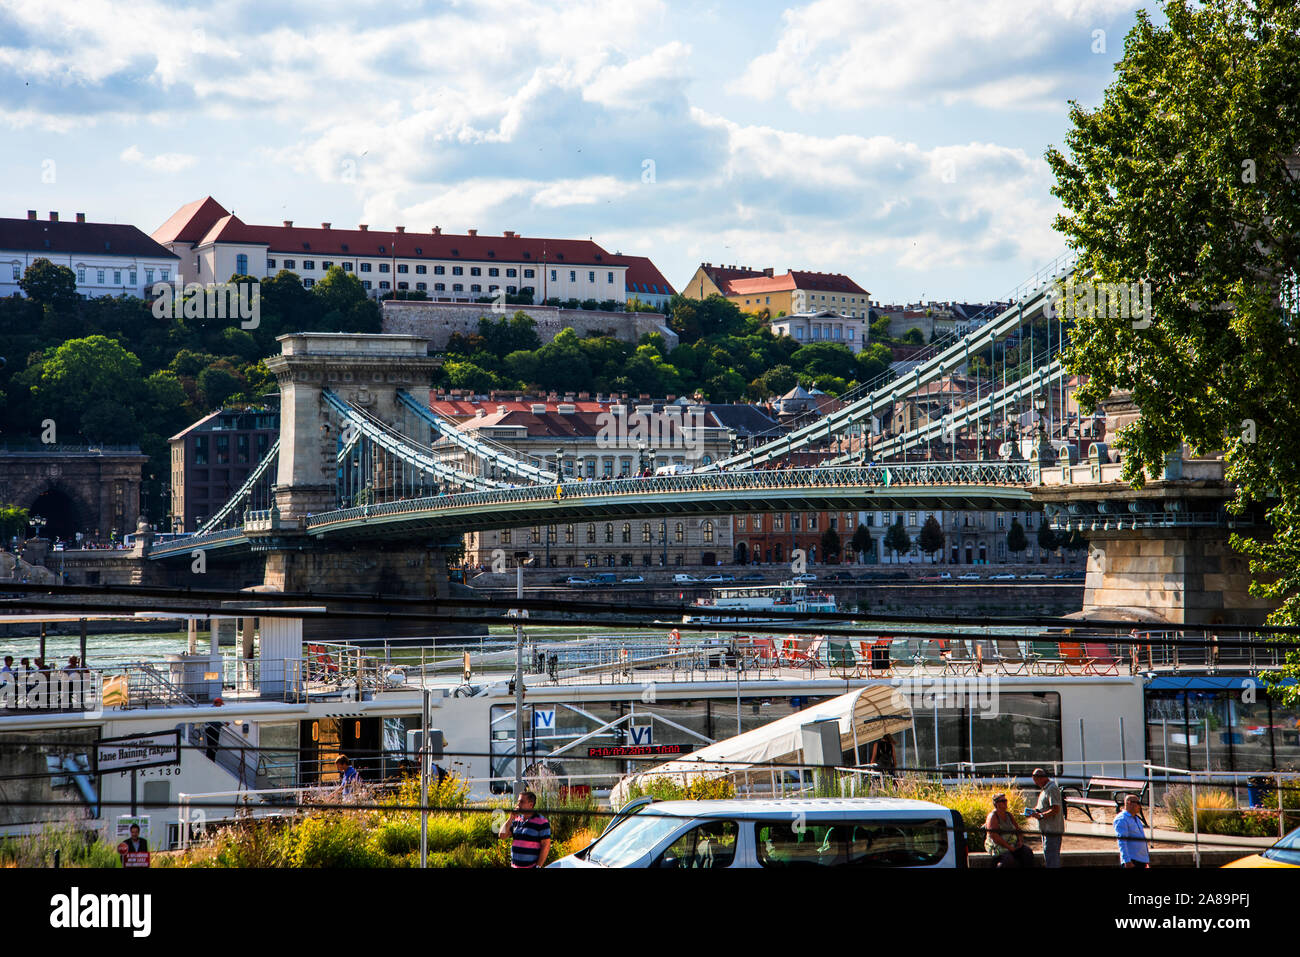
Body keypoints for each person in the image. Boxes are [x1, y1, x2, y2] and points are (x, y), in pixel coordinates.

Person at [498, 790, 551, 868]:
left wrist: (538, 866)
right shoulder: (516, 820)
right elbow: (502, 836)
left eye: (522, 802)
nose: (518, 805)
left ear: (531, 805)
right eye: (518, 802)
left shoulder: (542, 822)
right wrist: (510, 818)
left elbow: (546, 845)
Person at [1025, 767, 1065, 867]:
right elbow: (1044, 807)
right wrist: (1034, 812)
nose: (1036, 784)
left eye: (1036, 781)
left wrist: (1041, 815)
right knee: (1049, 858)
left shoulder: (1052, 789)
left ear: (1042, 778)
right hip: (1046, 830)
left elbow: (1056, 809)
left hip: (1052, 830)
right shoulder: (1045, 789)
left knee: (1052, 859)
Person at [984, 793, 1034, 868]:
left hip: (1012, 844)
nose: (1005, 802)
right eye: (1003, 801)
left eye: (1006, 800)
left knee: (1027, 853)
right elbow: (994, 836)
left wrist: (1020, 841)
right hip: (998, 846)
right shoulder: (992, 816)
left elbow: (1018, 830)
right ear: (997, 804)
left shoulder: (1009, 815)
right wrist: (1009, 847)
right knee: (1008, 860)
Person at [1114, 793, 1150, 868]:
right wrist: (1127, 861)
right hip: (1132, 861)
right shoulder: (1122, 819)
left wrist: (1146, 860)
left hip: (1141, 860)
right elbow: (1122, 842)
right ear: (1129, 803)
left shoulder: (1136, 819)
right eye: (1137, 803)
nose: (1140, 806)